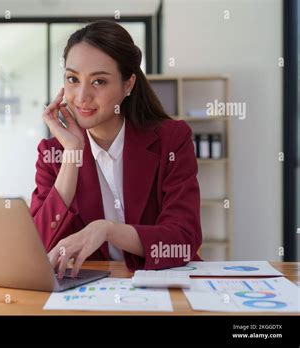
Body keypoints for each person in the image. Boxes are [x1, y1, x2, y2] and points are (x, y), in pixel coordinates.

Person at [30, 20, 202, 279]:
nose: (81, 96)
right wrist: (73, 155)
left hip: (163, 281)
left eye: (99, 81)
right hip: (90, 289)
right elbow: (38, 248)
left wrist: (108, 230)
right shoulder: (54, 153)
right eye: (72, 79)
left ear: (128, 84)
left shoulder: (171, 139)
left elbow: (184, 238)